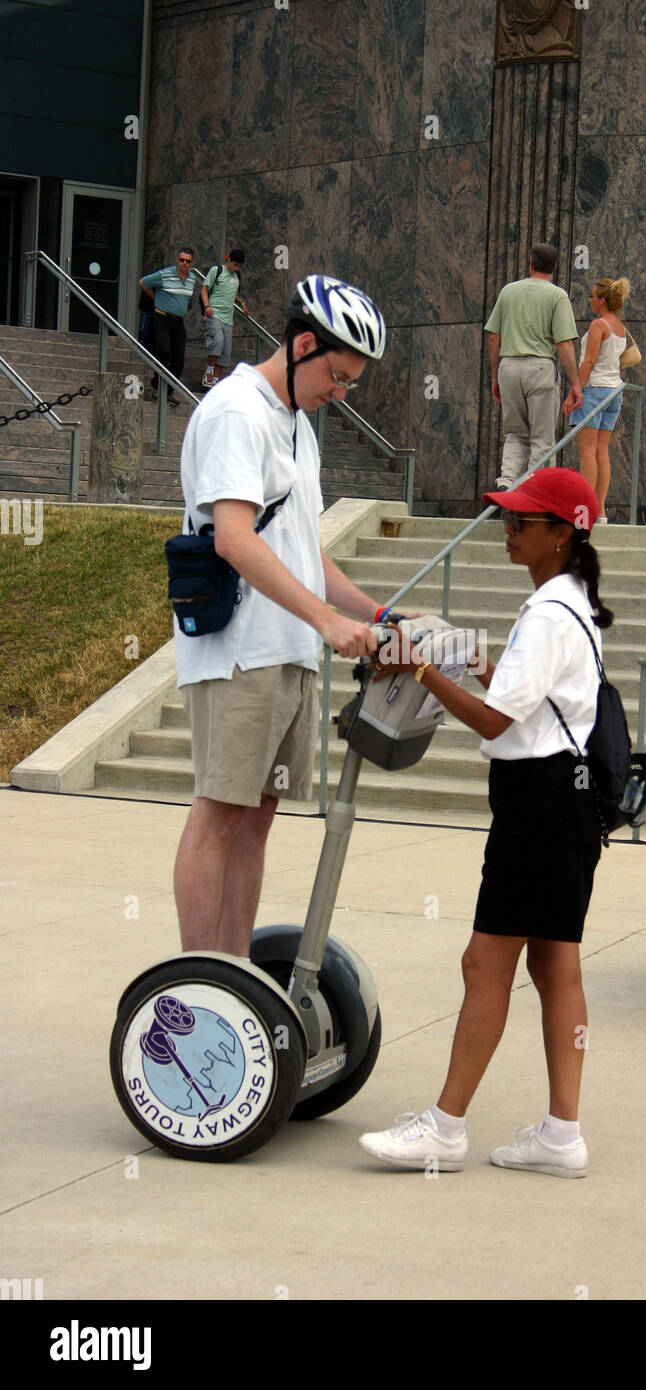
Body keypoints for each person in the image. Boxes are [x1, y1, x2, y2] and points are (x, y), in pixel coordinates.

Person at [359, 466, 610, 1179]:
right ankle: (562, 1134)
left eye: (522, 522)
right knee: (556, 963)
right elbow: (528, 697)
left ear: (562, 534)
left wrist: (422, 669)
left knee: (485, 962)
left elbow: (501, 719)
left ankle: (445, 1126)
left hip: (538, 805)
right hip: (569, 800)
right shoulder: (571, 605)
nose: (509, 530)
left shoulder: (550, 613)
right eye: (507, 519)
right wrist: (475, 663)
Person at [173, 275, 405, 960]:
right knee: (220, 815)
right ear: (303, 344)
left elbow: (305, 552)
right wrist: (329, 625)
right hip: (240, 651)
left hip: (290, 653)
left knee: (257, 819)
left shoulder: (298, 428)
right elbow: (233, 538)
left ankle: (234, 970)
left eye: (351, 382)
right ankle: (198, 981)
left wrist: (377, 612)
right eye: (337, 374)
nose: (342, 392)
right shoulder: (237, 411)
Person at [485, 244, 581, 489]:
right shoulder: (557, 296)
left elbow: (494, 337)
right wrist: (576, 383)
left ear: (530, 264)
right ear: (555, 268)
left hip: (508, 367)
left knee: (515, 433)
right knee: (542, 438)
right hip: (540, 369)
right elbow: (563, 344)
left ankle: (506, 482)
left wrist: (495, 377)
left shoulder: (508, 292)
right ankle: (535, 488)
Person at [568, 276, 632, 523]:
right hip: (614, 391)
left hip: (594, 390)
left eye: (592, 296)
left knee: (587, 452)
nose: (590, 300)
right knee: (602, 451)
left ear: (602, 300)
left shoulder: (598, 325)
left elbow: (589, 361)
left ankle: (584, 511)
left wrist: (575, 389)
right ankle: (600, 510)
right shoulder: (619, 326)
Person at [139, 248, 197, 406]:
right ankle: (157, 387)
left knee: (179, 359)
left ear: (191, 263)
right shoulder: (165, 273)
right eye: (181, 260)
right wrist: (156, 298)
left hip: (178, 321)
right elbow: (143, 282)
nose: (184, 263)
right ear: (177, 260)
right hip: (161, 317)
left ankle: (168, 391)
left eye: (188, 261)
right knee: (164, 352)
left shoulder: (192, 278)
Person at [200, 248, 248, 389]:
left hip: (228, 317)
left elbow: (231, 294)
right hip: (214, 313)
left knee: (226, 351)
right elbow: (204, 289)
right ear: (229, 260)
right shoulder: (217, 270)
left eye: (239, 266)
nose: (236, 268)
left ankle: (215, 379)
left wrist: (242, 303)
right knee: (218, 341)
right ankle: (209, 372)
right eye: (235, 265)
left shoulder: (236, 276)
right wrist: (207, 305)